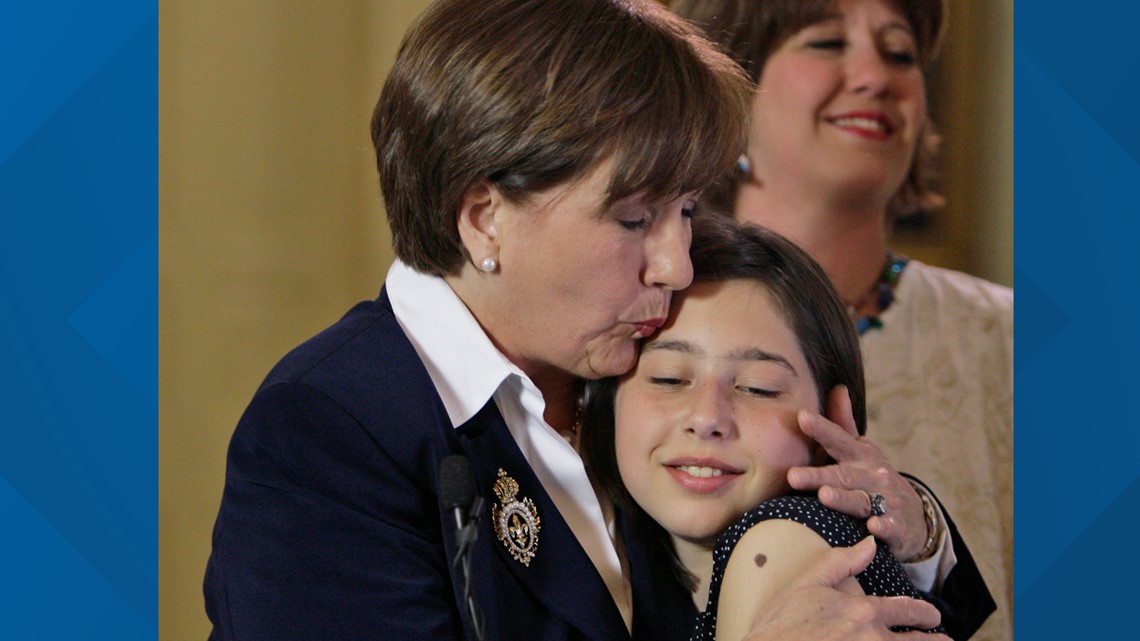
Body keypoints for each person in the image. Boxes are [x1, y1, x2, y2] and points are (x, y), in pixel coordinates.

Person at [204, 0, 960, 639]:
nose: (679, 265)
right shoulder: (327, 428)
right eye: (634, 219)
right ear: (484, 219)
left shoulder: (624, 366)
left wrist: (912, 532)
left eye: (687, 211)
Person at [669, 1, 1011, 639]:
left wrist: (927, 538)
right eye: (826, 43)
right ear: (728, 91)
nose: (875, 76)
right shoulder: (652, 309)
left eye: (900, 53)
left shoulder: (1016, 341)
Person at [583, 216, 944, 640]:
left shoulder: (778, 543)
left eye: (757, 388)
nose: (706, 418)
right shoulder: (635, 554)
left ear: (831, 420)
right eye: (669, 378)